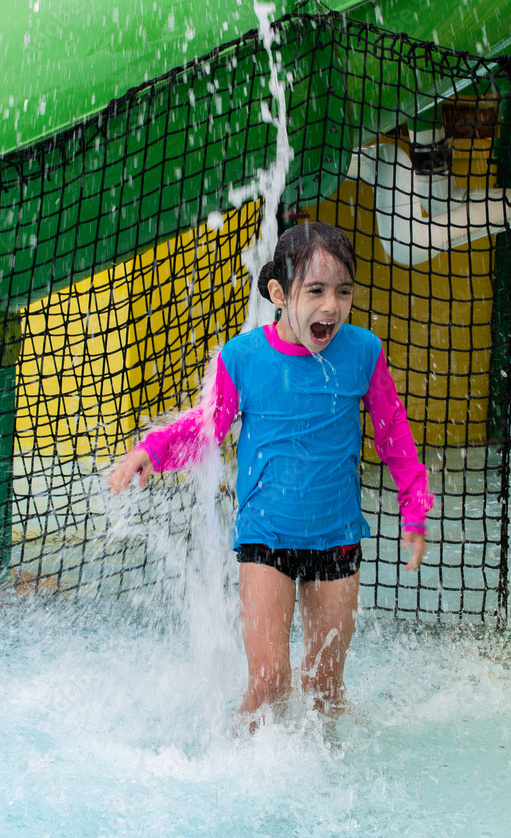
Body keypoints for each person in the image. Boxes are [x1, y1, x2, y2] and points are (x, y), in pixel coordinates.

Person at [109, 221, 433, 725]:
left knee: (325, 688)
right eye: (316, 290)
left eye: (343, 292)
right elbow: (206, 428)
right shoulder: (243, 358)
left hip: (336, 539)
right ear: (280, 293)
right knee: (268, 681)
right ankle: (236, 770)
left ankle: (325, 785)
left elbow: (394, 432)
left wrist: (414, 507)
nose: (331, 307)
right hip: (265, 540)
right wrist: (151, 451)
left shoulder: (362, 352)